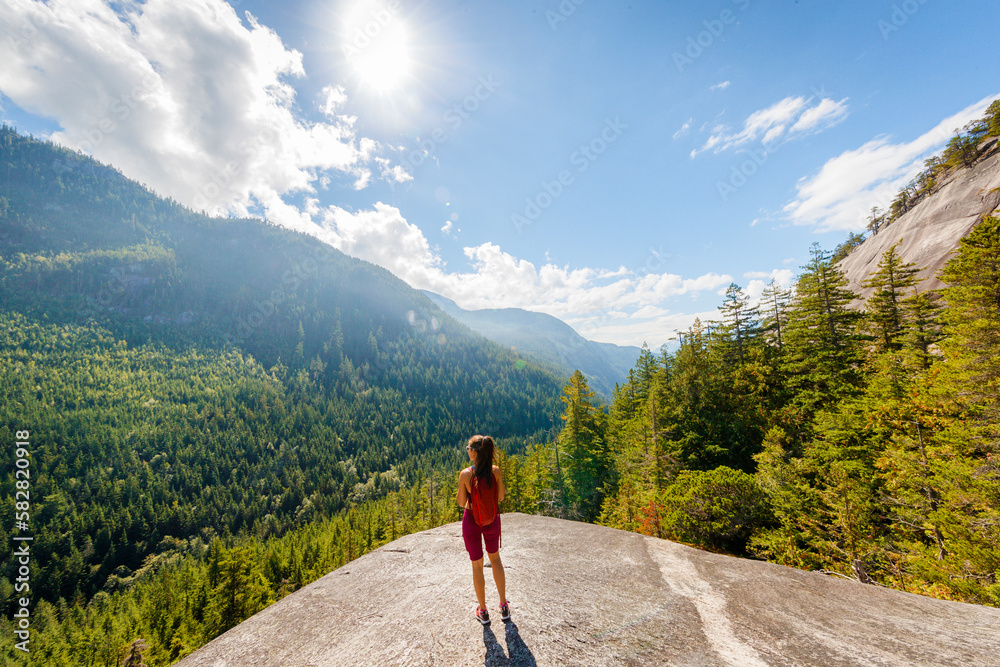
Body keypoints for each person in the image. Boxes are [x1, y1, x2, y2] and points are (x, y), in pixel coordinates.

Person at [457, 434, 510, 625]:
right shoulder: (495, 471)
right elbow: (501, 497)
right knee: (495, 559)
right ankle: (503, 606)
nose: (467, 450)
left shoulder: (465, 474)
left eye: (468, 448)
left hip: (472, 520)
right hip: (491, 520)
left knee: (477, 565)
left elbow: (462, 502)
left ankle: (484, 611)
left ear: (474, 452)